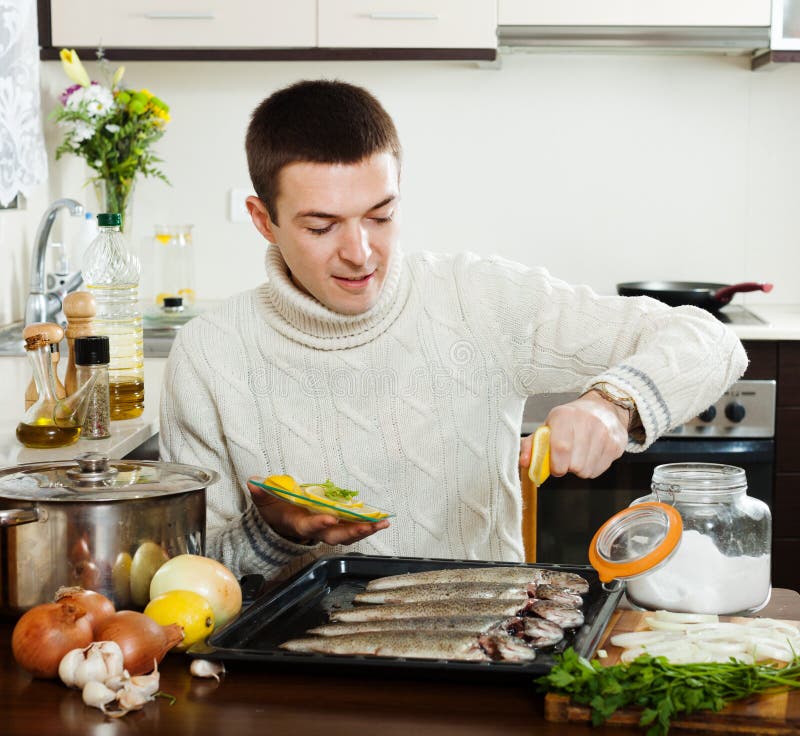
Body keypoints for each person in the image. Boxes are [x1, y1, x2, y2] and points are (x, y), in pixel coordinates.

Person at [160, 79, 747, 579]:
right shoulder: (210, 353)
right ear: (264, 221)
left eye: (381, 216)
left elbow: (713, 341)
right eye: (322, 227)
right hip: (297, 672)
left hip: (485, 647)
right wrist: (272, 535)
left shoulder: (478, 299)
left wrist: (614, 404)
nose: (361, 253)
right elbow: (189, 578)